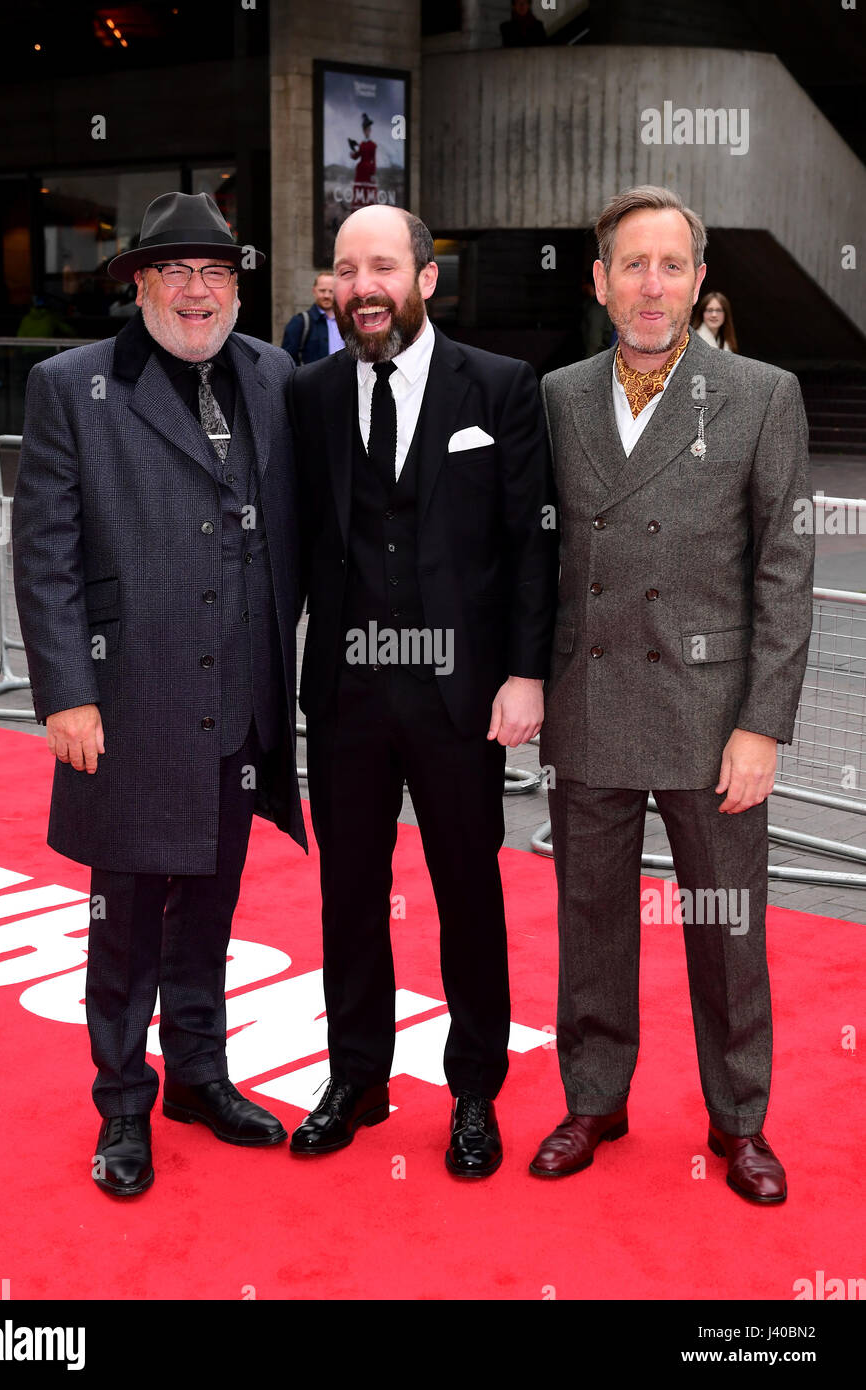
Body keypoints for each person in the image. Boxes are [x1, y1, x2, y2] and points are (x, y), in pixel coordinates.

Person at [13, 192, 306, 1197]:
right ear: (138, 284)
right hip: (126, 701)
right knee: (125, 917)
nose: (197, 290)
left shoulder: (271, 373)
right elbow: (45, 552)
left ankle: (198, 1075)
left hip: (240, 704)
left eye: (215, 272)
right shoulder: (71, 387)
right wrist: (66, 691)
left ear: (236, 287)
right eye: (174, 271)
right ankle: (122, 1105)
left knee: (212, 907)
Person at [531, 185, 813, 1204]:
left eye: (671, 266)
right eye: (631, 266)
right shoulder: (557, 396)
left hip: (709, 718)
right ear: (600, 282)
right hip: (590, 703)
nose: (651, 286)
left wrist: (760, 725)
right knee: (588, 919)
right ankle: (594, 1097)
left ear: (699, 283)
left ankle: (738, 1120)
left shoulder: (759, 394)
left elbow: (781, 572)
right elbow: (535, 559)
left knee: (726, 925)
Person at [288, 204, 555, 1177]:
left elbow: (531, 545)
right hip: (349, 694)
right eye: (349, 269)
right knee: (348, 893)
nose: (365, 286)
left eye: (384, 267)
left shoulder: (497, 385)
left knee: (467, 894)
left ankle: (473, 1088)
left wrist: (525, 673)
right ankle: (357, 1075)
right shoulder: (308, 393)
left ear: (425, 279)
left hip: (458, 698)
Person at [281, 272, 344, 364]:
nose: (326, 295)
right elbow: (286, 360)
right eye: (322, 290)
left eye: (331, 291)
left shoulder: (347, 322)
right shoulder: (300, 322)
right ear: (314, 291)